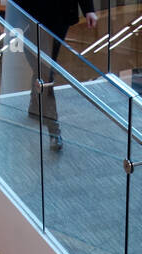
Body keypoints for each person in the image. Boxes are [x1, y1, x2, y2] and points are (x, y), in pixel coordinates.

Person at [16, 0, 99, 150]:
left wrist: (88, 9)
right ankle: (45, 118)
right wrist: (8, 16)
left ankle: (44, 117)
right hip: (29, 12)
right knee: (42, 67)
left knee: (45, 69)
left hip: (59, 13)